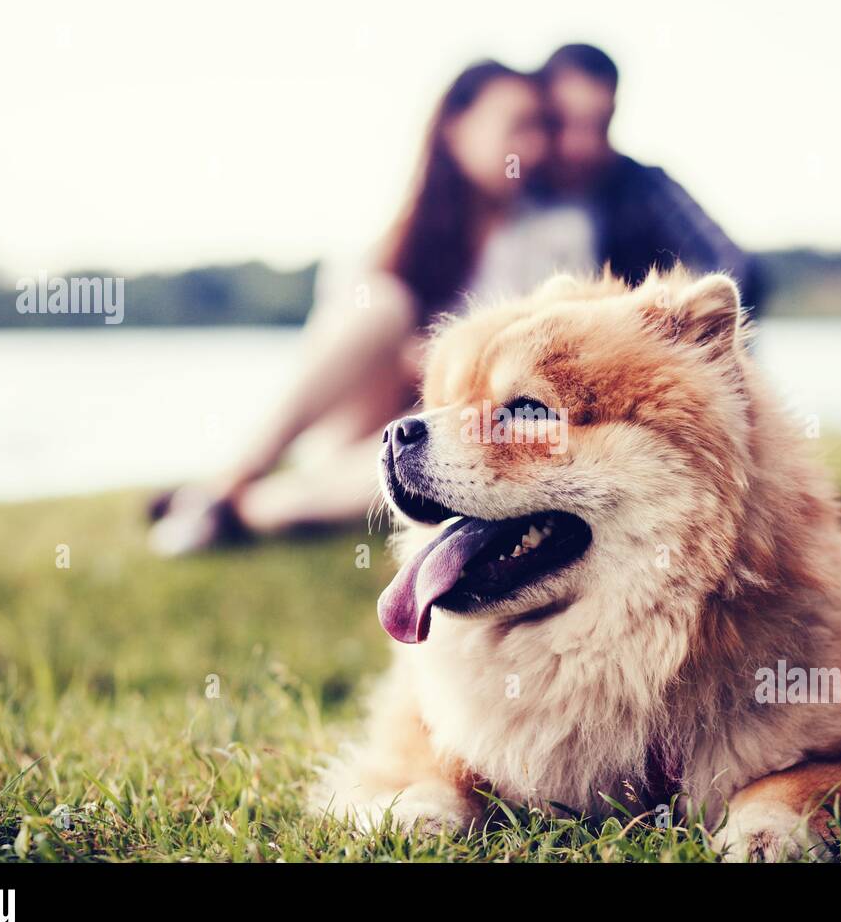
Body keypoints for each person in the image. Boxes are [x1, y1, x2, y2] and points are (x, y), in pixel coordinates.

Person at [149, 60, 595, 555]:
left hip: (422, 429)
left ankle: (236, 507)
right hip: (350, 417)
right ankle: (237, 474)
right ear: (456, 126)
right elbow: (339, 329)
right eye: (517, 126)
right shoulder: (397, 231)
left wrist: (433, 373)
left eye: (540, 129)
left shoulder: (559, 236)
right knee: (383, 306)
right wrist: (424, 356)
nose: (531, 148)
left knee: (423, 437)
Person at [534, 44, 763, 311]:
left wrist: (653, 321)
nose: (581, 144)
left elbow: (732, 266)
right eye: (561, 123)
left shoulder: (645, 186)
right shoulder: (513, 186)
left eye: (599, 125)